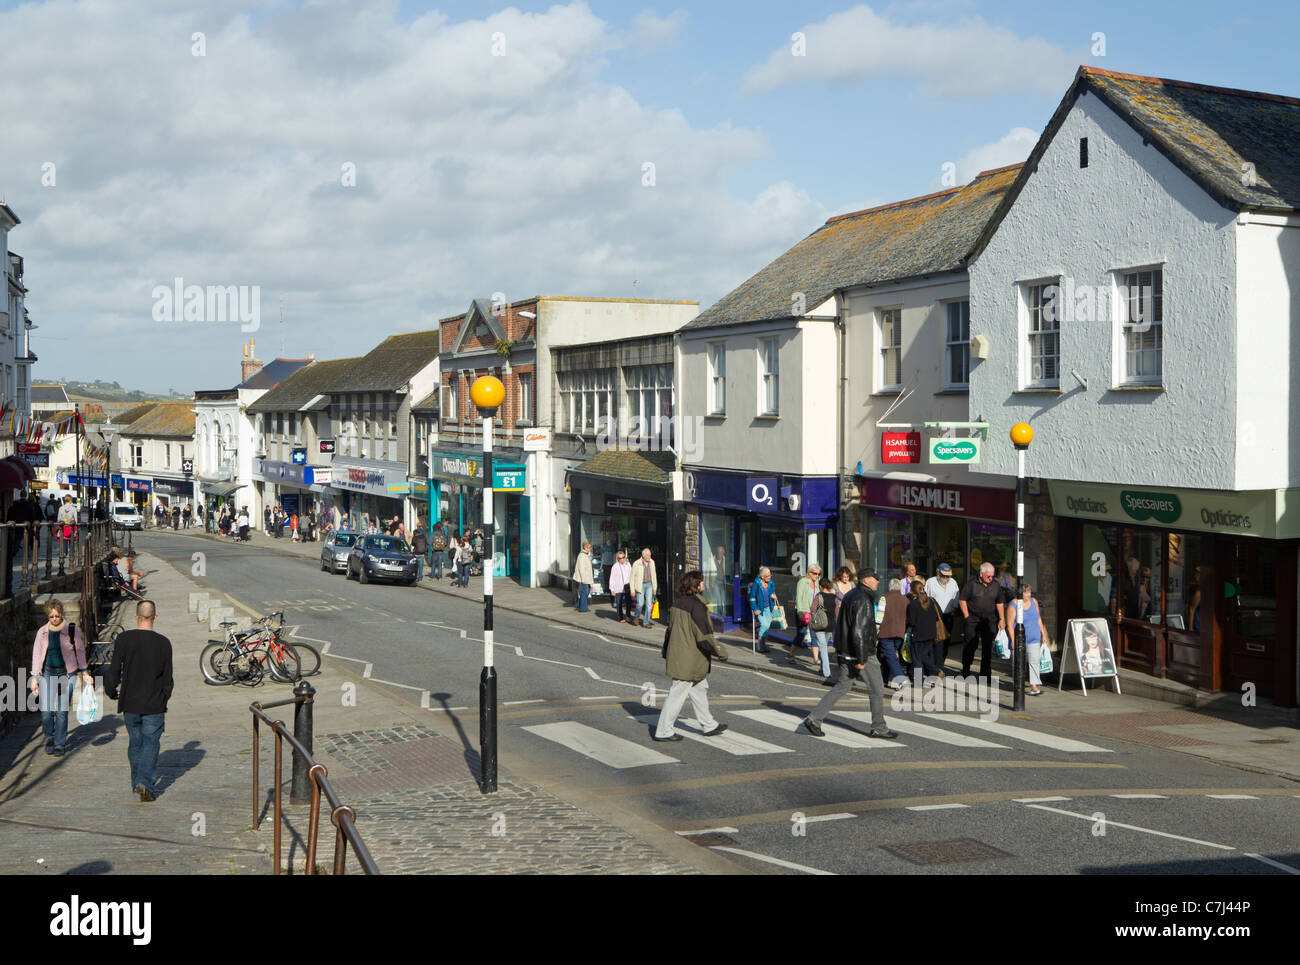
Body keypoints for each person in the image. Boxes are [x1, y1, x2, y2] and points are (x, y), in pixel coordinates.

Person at [802, 568, 896, 740]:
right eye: (875, 579)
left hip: (845, 650)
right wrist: (861, 658)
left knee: (842, 686)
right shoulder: (863, 600)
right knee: (877, 688)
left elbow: (845, 625)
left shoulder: (851, 595)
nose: (877, 581)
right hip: (861, 653)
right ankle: (879, 728)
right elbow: (859, 631)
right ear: (866, 580)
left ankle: (813, 719)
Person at [104, 600, 174, 802]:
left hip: (130, 702)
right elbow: (168, 677)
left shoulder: (124, 639)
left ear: (136, 616)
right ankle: (144, 782)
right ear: (155, 616)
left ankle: (137, 783)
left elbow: (114, 669)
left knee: (136, 742)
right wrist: (164, 697)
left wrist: (111, 691)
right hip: (154, 702)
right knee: (151, 742)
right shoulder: (163, 643)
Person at [651, 571, 728, 742]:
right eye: (700, 582)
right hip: (689, 658)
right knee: (677, 694)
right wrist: (720, 651)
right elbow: (704, 636)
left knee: (699, 689)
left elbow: (670, 630)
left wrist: (666, 651)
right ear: (696, 585)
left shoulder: (677, 603)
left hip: (683, 655)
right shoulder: (697, 606)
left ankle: (708, 724)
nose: (703, 584)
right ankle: (663, 730)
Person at [28, 599, 93, 757]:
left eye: (57, 616)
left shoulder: (72, 629)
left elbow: (80, 651)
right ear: (47, 616)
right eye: (51, 616)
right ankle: (50, 736)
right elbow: (36, 655)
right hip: (47, 672)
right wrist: (35, 677)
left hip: (67, 673)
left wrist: (84, 672)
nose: (54, 619)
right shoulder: (42, 632)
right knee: (46, 711)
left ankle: (59, 743)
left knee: (62, 710)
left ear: (62, 614)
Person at [959, 561, 1006, 681]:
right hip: (973, 619)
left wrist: (1002, 618)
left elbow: (999, 602)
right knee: (971, 645)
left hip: (989, 620)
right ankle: (965, 669)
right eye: (988, 576)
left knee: (987, 647)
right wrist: (966, 616)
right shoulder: (971, 584)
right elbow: (962, 600)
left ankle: (985, 674)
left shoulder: (996, 585)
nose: (991, 578)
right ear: (981, 574)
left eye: (992, 575)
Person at [1010, 583, 1049, 695]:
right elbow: (1010, 624)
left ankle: (1034, 686)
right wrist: (1013, 640)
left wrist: (1043, 634)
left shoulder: (1034, 601)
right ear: (1020, 593)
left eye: (1029, 592)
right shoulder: (1013, 604)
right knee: (1018, 662)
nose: (1028, 594)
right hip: (1019, 638)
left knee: (1034, 661)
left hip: (1034, 637)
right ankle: (1017, 685)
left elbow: (1038, 618)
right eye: (1026, 592)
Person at [924, 563, 960, 675]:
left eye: (948, 576)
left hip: (948, 616)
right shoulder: (930, 582)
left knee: (945, 643)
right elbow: (925, 598)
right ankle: (934, 666)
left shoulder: (953, 583)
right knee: (935, 642)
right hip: (934, 617)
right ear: (938, 572)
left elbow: (956, 598)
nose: (946, 578)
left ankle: (940, 665)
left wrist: (955, 608)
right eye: (943, 575)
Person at [906, 582, 942, 685]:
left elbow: (911, 621)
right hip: (930, 634)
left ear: (913, 591)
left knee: (917, 658)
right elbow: (936, 617)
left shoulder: (913, 604)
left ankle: (919, 681)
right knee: (923, 656)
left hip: (918, 634)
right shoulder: (931, 601)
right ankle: (936, 670)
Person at [877, 578, 910, 689]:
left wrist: (876, 631)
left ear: (889, 587)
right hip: (900, 632)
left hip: (886, 632)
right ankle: (883, 680)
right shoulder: (905, 600)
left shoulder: (884, 598)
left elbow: (879, 617)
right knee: (888, 656)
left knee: (890, 656)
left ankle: (901, 679)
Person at [794, 563, 823, 668]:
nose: (817, 576)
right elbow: (799, 597)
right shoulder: (802, 582)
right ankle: (792, 654)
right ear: (809, 573)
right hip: (803, 611)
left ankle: (815, 659)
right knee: (801, 634)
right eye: (815, 573)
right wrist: (800, 612)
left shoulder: (817, 583)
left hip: (814, 613)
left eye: (819, 574)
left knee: (814, 635)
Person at [809, 576, 836, 680]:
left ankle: (827, 672)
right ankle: (822, 669)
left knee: (823, 648)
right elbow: (837, 612)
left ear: (820, 586)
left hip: (820, 625)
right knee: (823, 647)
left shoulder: (819, 596)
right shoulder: (834, 597)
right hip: (830, 626)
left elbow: (812, 609)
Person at [747, 566, 779, 654]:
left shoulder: (771, 583)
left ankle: (764, 644)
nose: (770, 577)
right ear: (762, 577)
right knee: (764, 625)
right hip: (759, 608)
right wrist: (755, 609)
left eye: (770, 575)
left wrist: (773, 595)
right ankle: (760, 644)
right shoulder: (756, 584)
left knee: (767, 626)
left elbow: (772, 592)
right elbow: (752, 597)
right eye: (767, 576)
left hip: (768, 607)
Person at [630, 547, 658, 628]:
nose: (650, 556)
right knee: (640, 604)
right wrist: (632, 590)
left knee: (649, 604)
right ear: (643, 555)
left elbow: (654, 575)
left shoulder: (652, 562)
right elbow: (632, 578)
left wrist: (655, 588)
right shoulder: (636, 563)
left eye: (650, 555)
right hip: (640, 585)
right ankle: (636, 617)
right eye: (648, 555)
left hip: (649, 584)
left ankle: (646, 622)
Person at [608, 549, 633, 623]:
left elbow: (631, 574)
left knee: (629, 602)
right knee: (619, 603)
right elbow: (612, 578)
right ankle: (620, 618)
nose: (622, 559)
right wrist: (612, 589)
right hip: (618, 587)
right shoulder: (615, 566)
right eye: (620, 558)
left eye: (623, 557)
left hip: (627, 585)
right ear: (617, 559)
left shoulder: (628, 564)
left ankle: (628, 616)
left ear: (625, 557)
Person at [573, 541, 594, 613]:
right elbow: (581, 568)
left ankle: (579, 604)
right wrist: (583, 579)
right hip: (583, 578)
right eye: (588, 547)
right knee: (584, 592)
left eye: (590, 547)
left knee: (587, 591)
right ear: (584, 547)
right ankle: (583, 608)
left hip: (586, 577)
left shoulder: (586, 555)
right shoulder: (582, 555)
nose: (589, 549)